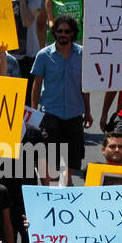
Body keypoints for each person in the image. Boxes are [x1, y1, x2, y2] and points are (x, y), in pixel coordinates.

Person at [31, 17, 91, 183]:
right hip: (50, 112)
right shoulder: (43, 55)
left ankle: (66, 180)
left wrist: (88, 111)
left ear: (73, 33)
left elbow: (84, 86)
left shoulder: (83, 54)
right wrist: (34, 111)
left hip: (74, 112)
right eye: (59, 31)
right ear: (54, 32)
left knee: (73, 155)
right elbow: (37, 85)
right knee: (51, 154)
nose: (63, 34)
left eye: (67, 31)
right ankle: (54, 183)